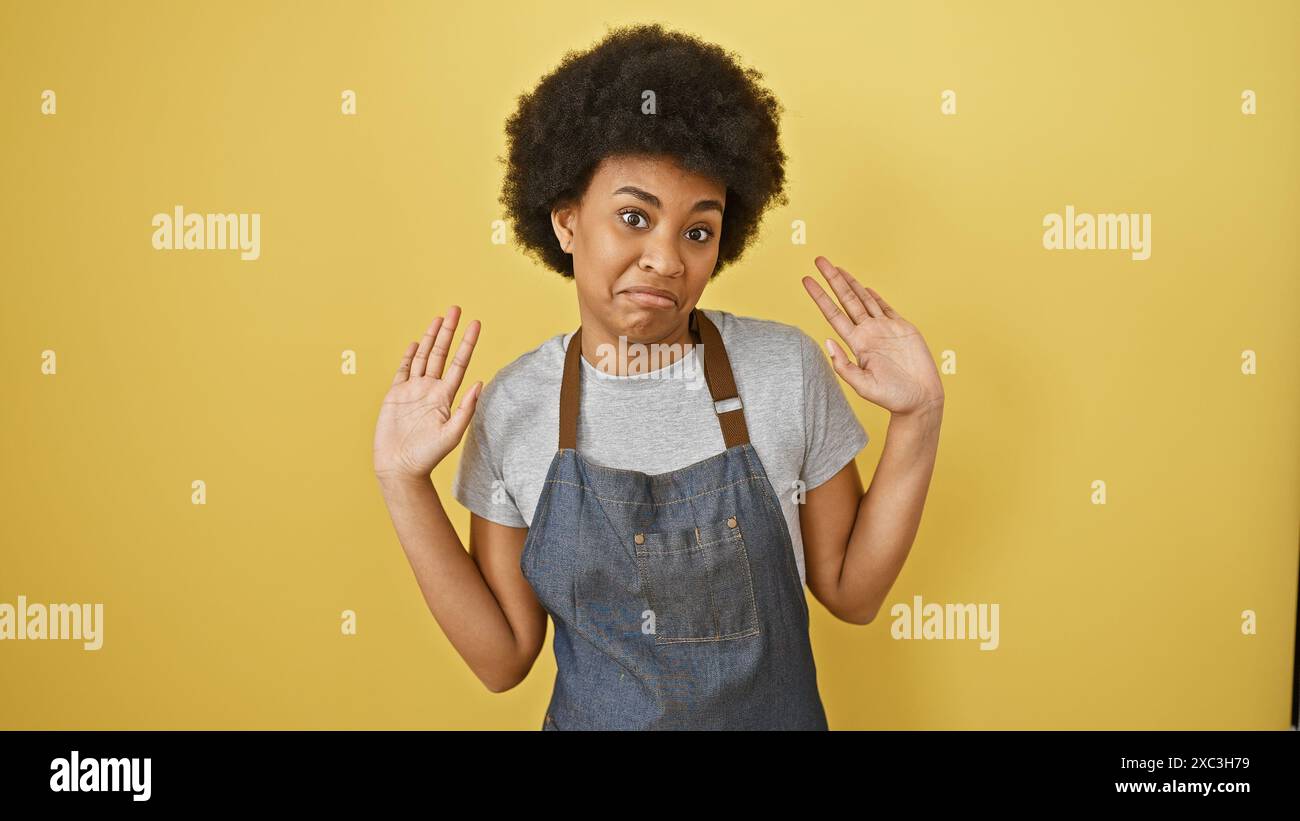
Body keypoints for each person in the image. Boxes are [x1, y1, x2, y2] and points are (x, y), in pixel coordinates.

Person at [372, 23, 945, 730]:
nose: (667, 259)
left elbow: (852, 592)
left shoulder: (785, 370)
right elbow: (503, 659)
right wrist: (404, 483)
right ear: (566, 221)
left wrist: (919, 418)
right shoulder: (516, 405)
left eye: (697, 230)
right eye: (634, 217)